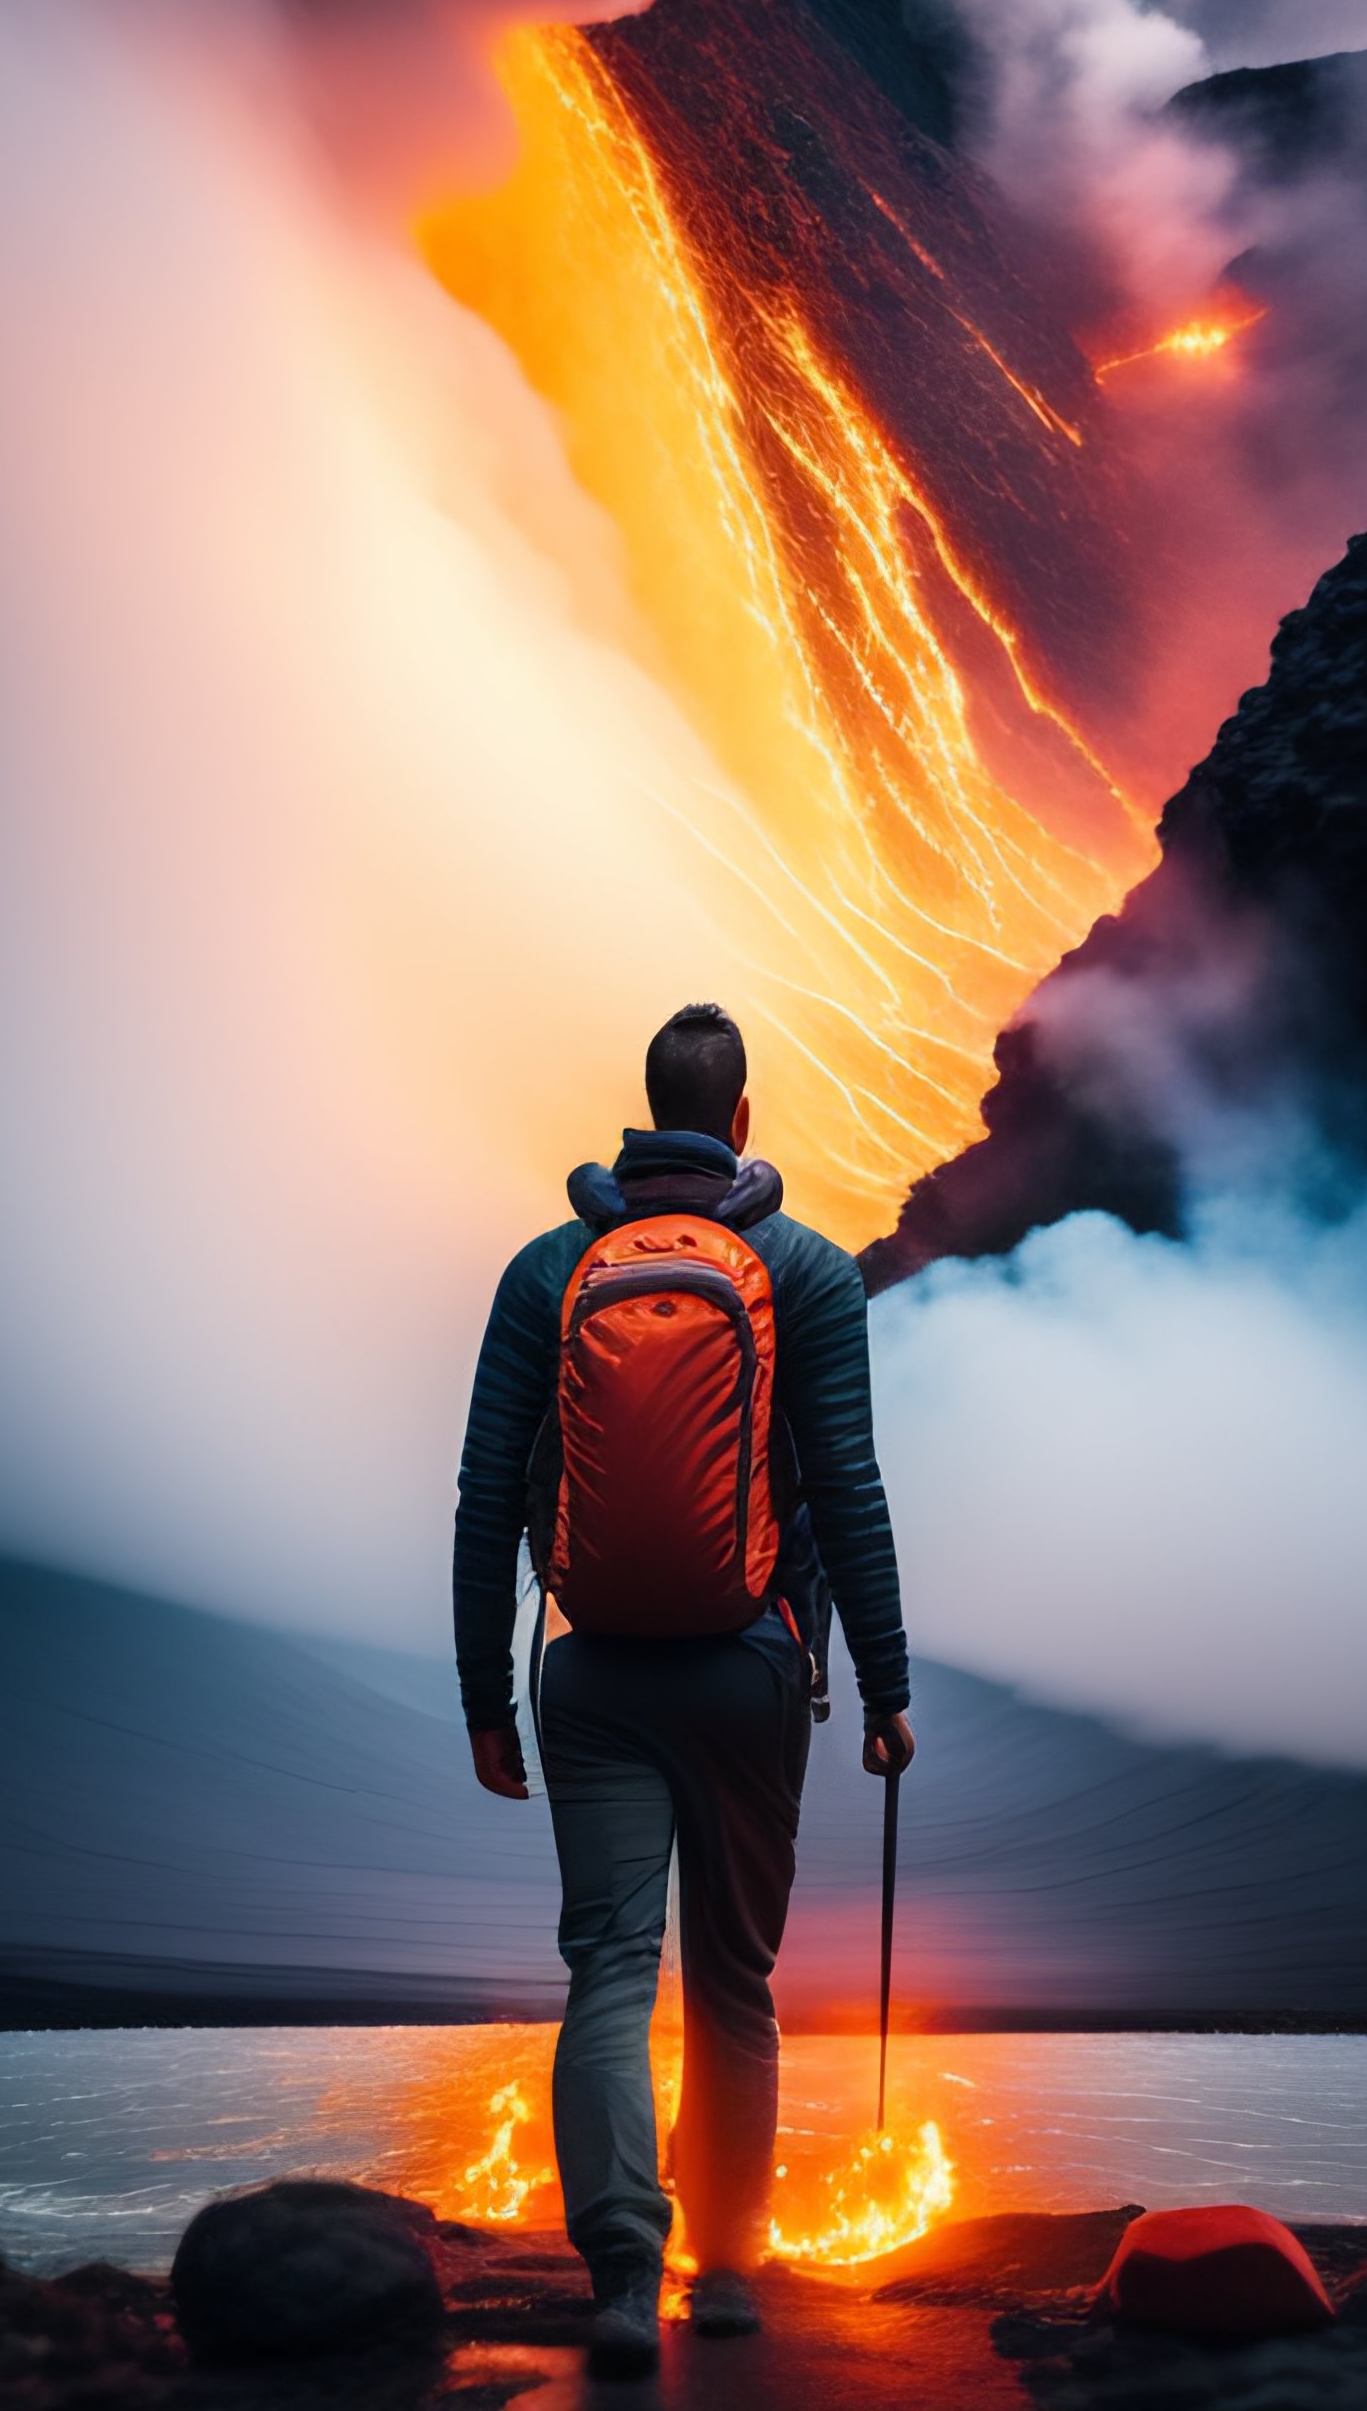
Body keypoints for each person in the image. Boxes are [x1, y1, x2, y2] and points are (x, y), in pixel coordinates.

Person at [453, 1003, 914, 2375]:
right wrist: (885, 1686)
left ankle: (617, 2273)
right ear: (743, 1121)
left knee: (607, 1967)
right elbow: (849, 1490)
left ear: (642, 1113)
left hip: (588, 1675)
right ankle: (725, 2276)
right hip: (752, 1667)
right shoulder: (811, 1275)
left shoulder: (548, 1270)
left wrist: (487, 1696)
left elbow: (488, 1498)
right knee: (732, 1977)